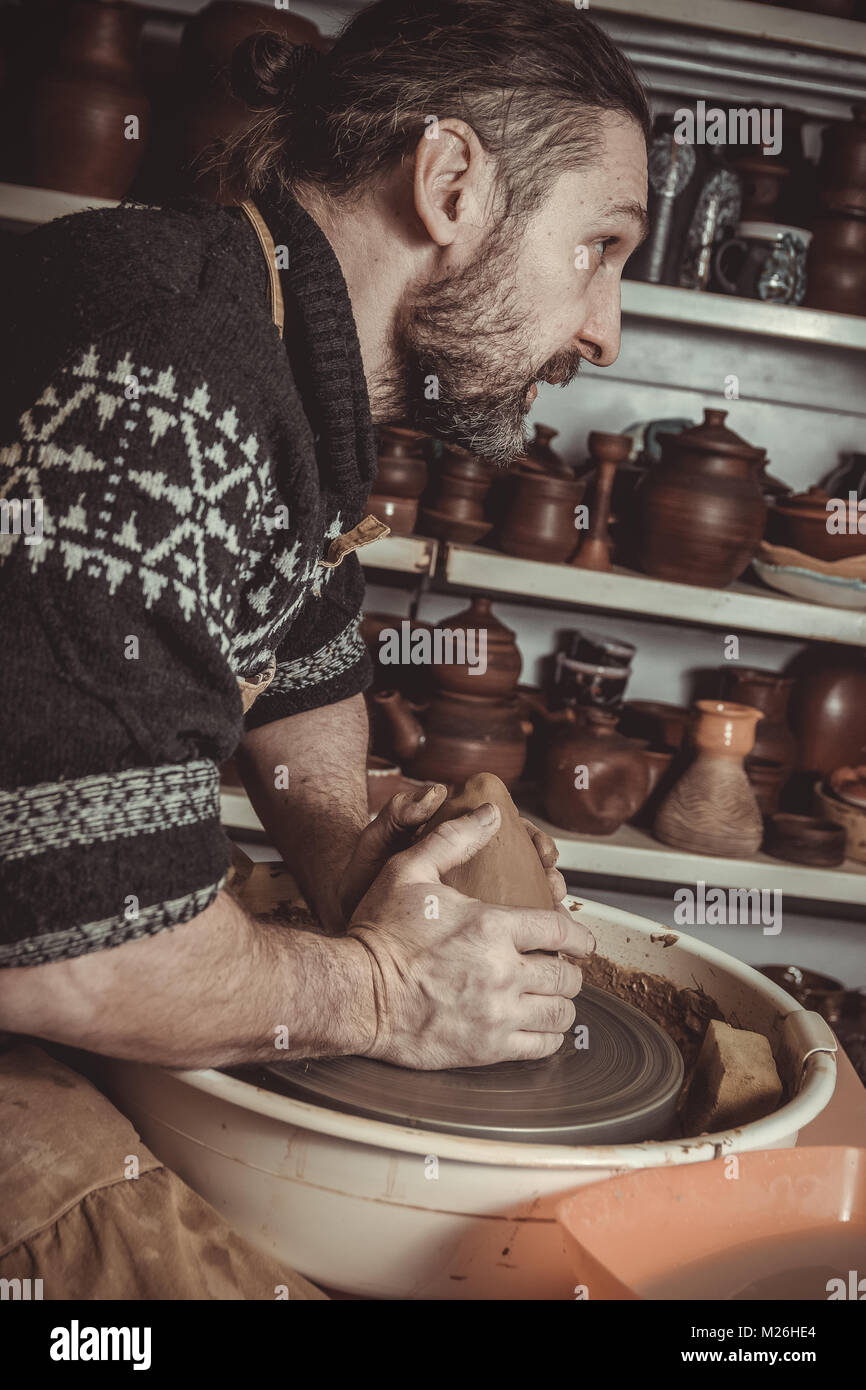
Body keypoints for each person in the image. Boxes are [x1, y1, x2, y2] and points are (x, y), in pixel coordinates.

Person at [0, 0, 649, 1298]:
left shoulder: (279, 364)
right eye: (598, 248)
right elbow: (68, 953)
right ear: (451, 182)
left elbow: (302, 688)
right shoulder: (171, 364)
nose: (604, 330)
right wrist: (387, 997)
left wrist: (363, 851)